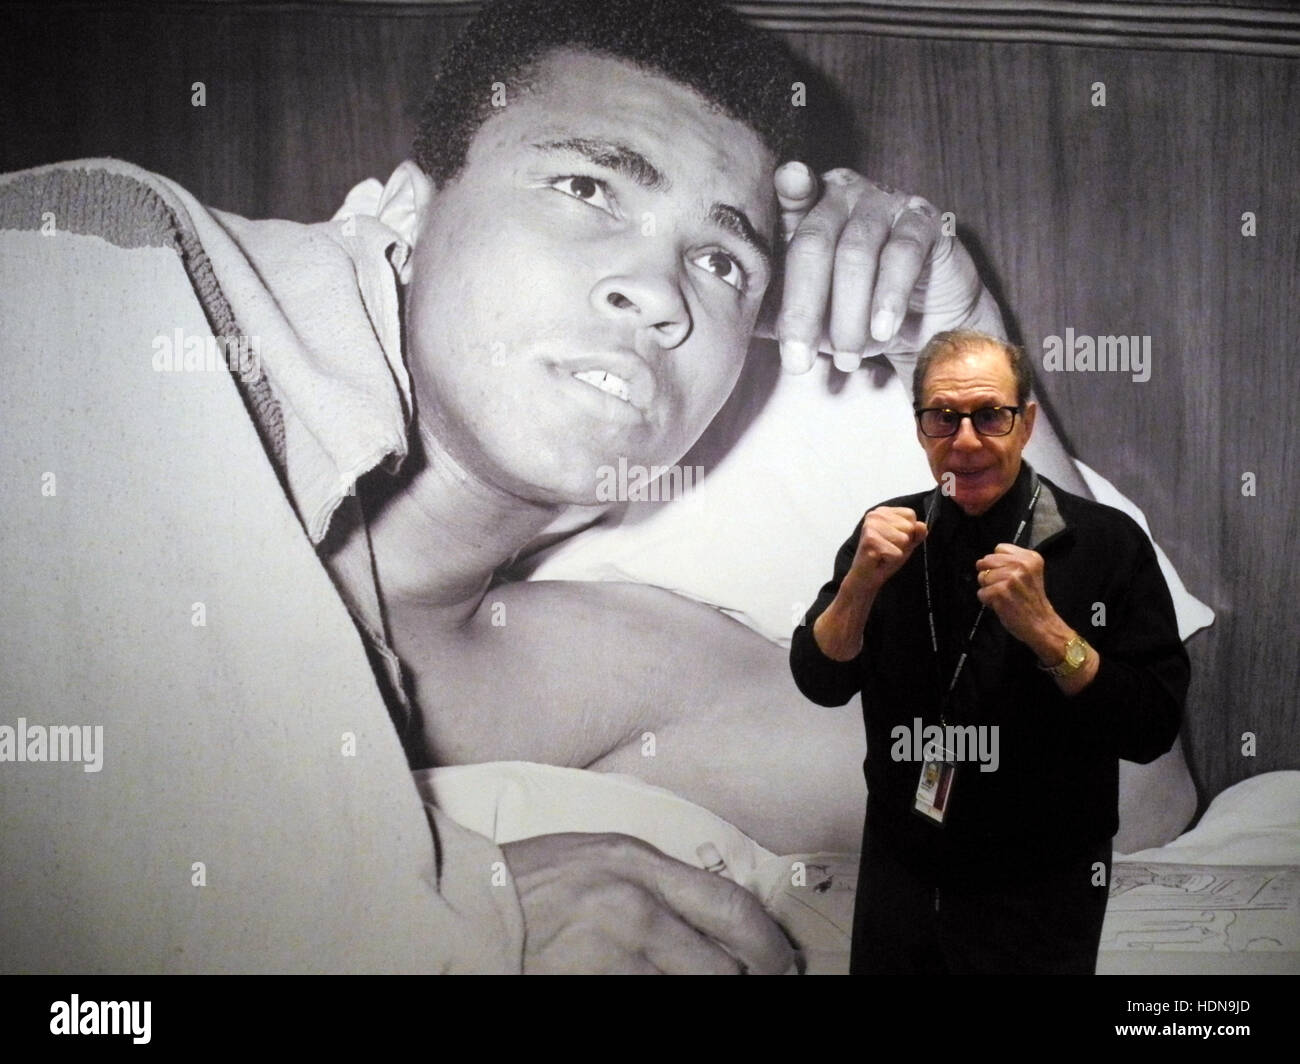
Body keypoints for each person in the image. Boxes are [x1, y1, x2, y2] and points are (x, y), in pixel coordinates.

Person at [0, 0, 1186, 974]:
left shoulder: (589, 668)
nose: (659, 289)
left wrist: (964, 344)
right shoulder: (120, 296)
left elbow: (1114, 799)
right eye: (585, 189)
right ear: (404, 215)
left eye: (720, 259)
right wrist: (466, 907)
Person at [788, 328, 1190, 974]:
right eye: (943, 417)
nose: (966, 440)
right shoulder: (885, 534)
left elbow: (1150, 726)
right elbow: (820, 679)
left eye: (990, 416)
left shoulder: (1107, 543)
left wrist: (1049, 633)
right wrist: (861, 583)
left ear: (1025, 423)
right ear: (921, 428)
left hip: (1043, 880)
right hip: (904, 865)